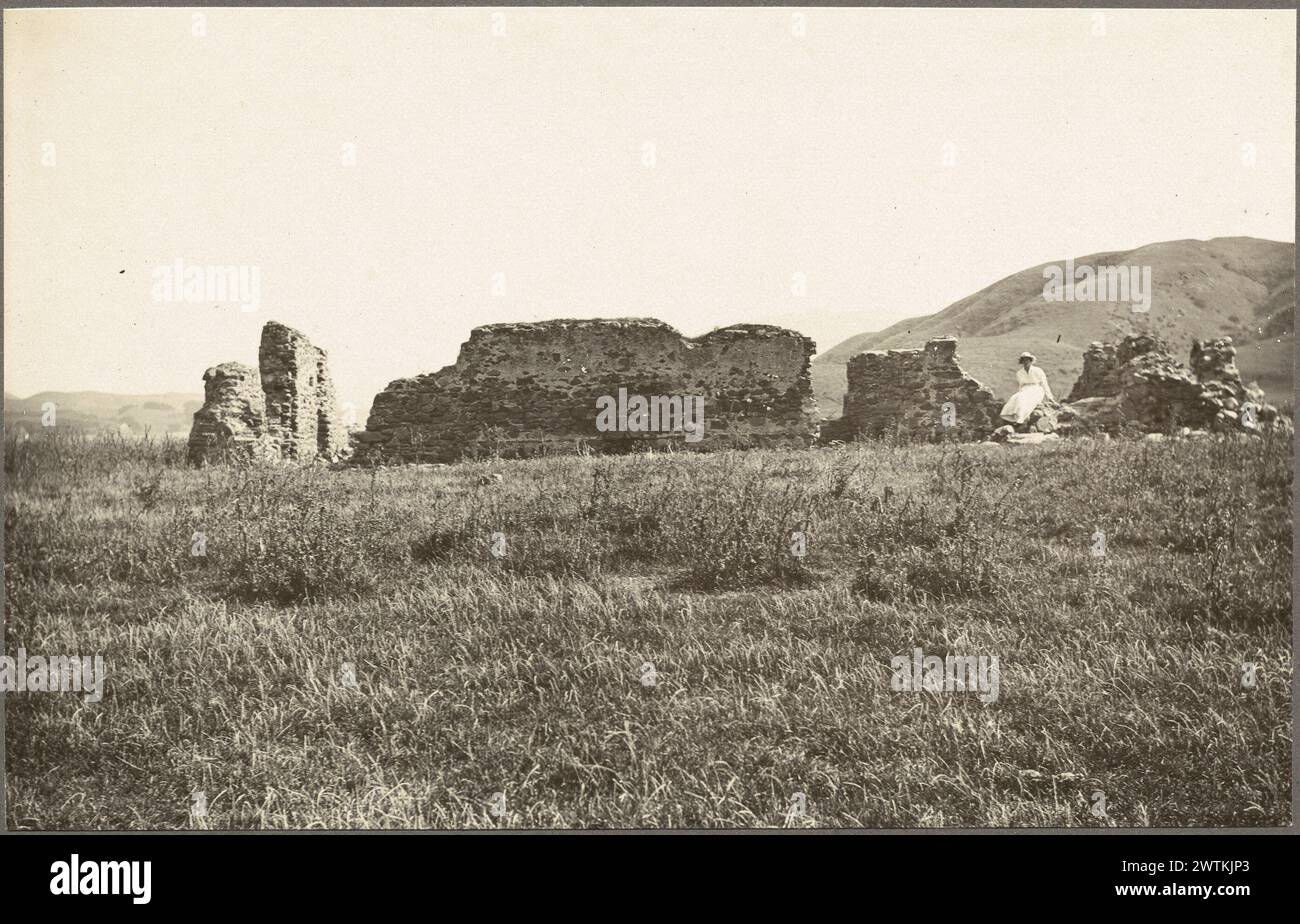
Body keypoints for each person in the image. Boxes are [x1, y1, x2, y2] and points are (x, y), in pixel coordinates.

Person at [1000, 352, 1055, 425]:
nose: (1026, 362)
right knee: (1015, 398)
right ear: (1021, 362)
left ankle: (1020, 419)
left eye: (1027, 360)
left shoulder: (1038, 370)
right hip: (1025, 390)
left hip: (1036, 389)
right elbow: (1021, 385)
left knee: (1024, 399)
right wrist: (1020, 392)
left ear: (1031, 361)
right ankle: (1012, 418)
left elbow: (1044, 384)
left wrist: (1050, 397)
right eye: (1024, 360)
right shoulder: (1019, 373)